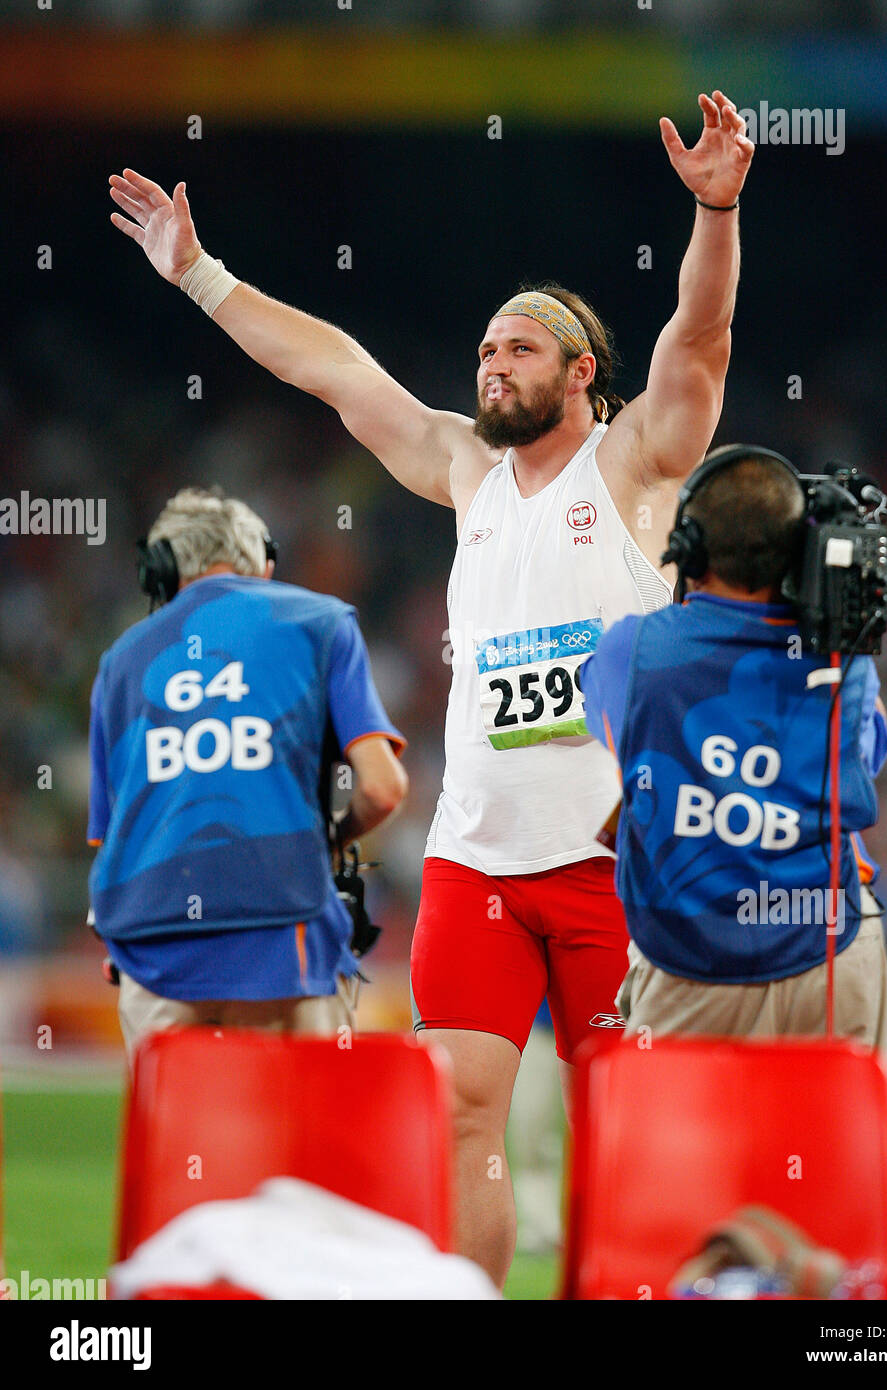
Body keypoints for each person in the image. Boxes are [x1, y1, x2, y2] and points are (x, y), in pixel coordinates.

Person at [107, 89, 754, 1286]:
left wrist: (714, 212)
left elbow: (698, 345)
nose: (488, 363)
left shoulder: (634, 463)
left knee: (623, 1120)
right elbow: (336, 371)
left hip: (616, 860)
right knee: (462, 1114)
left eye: (515, 348)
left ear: (580, 371)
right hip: (478, 863)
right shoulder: (465, 468)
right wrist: (199, 274)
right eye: (482, 350)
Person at [582, 446, 887, 1050]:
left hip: (686, 961)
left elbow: (610, 725)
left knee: (680, 1148)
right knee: (839, 1143)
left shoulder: (634, 649)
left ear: (690, 548)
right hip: (829, 948)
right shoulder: (842, 657)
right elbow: (869, 753)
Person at [87, 487, 407, 1063]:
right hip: (285, 935)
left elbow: (111, 839)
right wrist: (326, 843)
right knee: (298, 1145)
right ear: (261, 559)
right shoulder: (322, 623)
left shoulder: (120, 662)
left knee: (177, 1145)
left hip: (152, 944)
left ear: (159, 570)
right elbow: (383, 789)